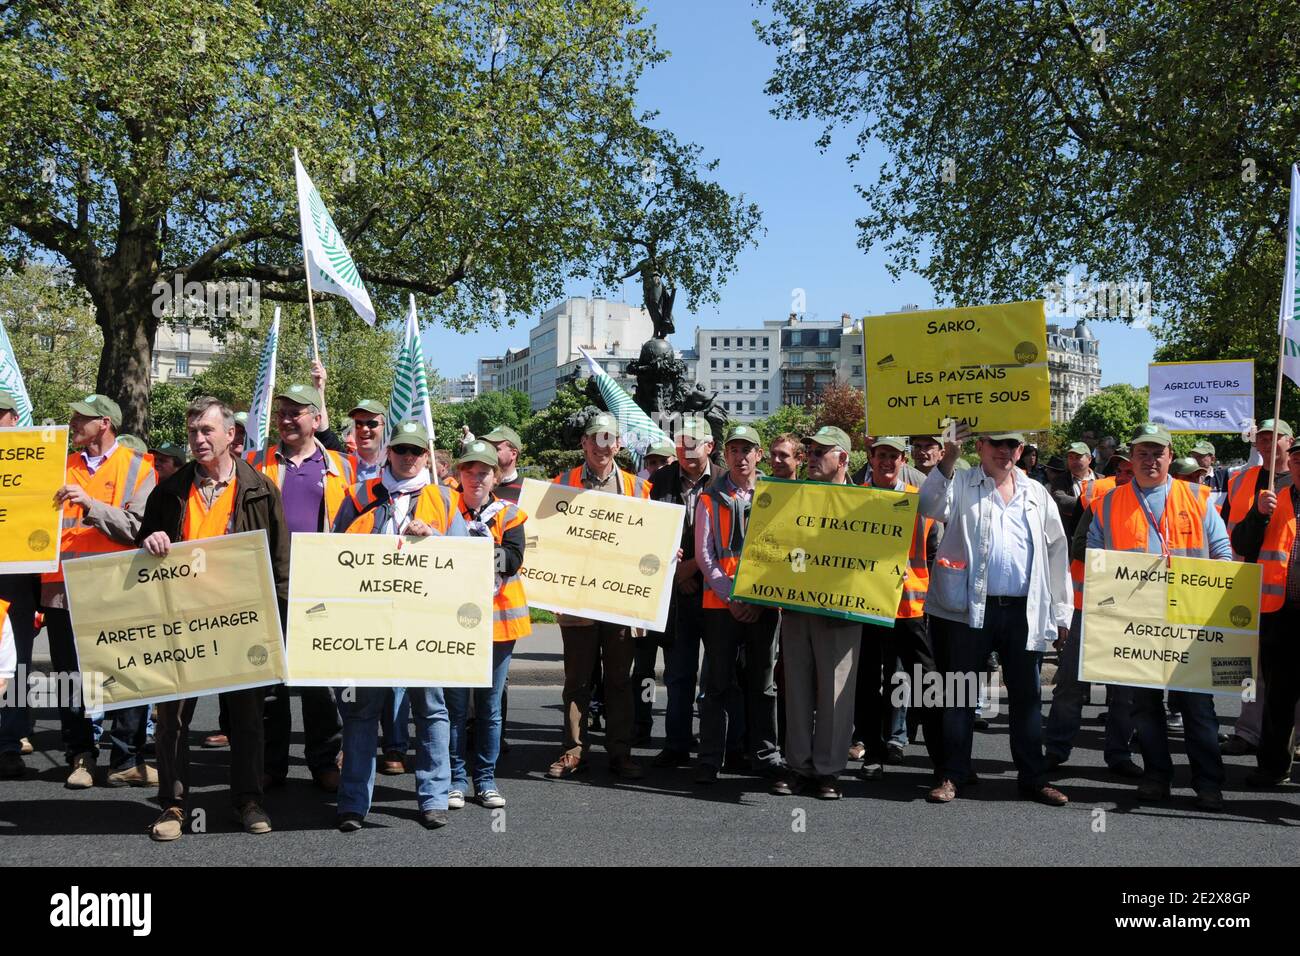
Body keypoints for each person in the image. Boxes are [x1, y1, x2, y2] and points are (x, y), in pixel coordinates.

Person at [136, 396, 286, 840]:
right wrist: (152, 537)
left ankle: (247, 800)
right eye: (193, 433)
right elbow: (142, 547)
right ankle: (174, 805)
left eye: (207, 431)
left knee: (247, 718)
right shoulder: (169, 490)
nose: (198, 440)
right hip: (180, 622)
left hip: (242, 622)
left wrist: (276, 624)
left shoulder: (260, 489)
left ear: (230, 435)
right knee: (172, 721)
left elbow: (280, 563)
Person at [919, 431, 1071, 807]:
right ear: (981, 447)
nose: (1005, 452)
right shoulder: (962, 480)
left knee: (1027, 697)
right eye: (997, 444)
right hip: (969, 607)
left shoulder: (1036, 493)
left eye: (1013, 446)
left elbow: (1057, 552)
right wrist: (948, 459)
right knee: (959, 693)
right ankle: (952, 774)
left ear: (1021, 451)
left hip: (1023, 610)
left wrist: (1062, 611)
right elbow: (929, 504)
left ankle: (1032, 779)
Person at [330, 420, 466, 831]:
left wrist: (436, 537)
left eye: (415, 452)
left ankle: (434, 798)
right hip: (369, 620)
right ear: (388, 453)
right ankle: (353, 802)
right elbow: (335, 550)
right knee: (361, 712)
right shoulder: (360, 494)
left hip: (424, 623)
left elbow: (466, 560)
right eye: (401, 450)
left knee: (431, 708)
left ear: (426, 456)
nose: (408, 458)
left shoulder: (444, 499)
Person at [1089, 423, 1232, 810]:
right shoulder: (1108, 502)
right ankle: (1157, 776)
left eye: (1157, 453)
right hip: (1134, 624)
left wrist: (1208, 586)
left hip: (1189, 620)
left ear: (1170, 456)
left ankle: (1208, 783)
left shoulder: (1198, 498)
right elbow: (1094, 557)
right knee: (1145, 708)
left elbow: (1222, 551)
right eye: (1142, 453)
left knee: (1197, 708)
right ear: (1131, 458)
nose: (1150, 460)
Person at [40, 394, 158, 788]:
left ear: (105, 423)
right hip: (62, 587)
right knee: (70, 677)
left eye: (82, 418)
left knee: (129, 673)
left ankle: (125, 758)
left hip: (116, 586)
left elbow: (138, 528)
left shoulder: (140, 469)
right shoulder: (56, 464)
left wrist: (90, 505)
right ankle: (81, 758)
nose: (73, 423)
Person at [246, 383, 353, 791]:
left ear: (315, 418)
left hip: (321, 586)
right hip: (267, 582)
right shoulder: (257, 463)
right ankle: (271, 766)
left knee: (319, 684)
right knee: (270, 684)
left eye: (296, 413)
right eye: (282, 413)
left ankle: (325, 761)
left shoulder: (342, 466)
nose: (287, 420)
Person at [546, 412, 650, 781]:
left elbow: (648, 544)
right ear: (584, 443)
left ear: (618, 444)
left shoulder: (639, 488)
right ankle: (573, 750)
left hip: (620, 599)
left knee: (620, 681)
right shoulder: (561, 484)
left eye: (610, 438)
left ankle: (620, 752)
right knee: (577, 681)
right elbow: (547, 543)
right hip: (576, 598)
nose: (603, 445)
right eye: (596, 438)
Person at [776, 429, 872, 798]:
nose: (812, 456)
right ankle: (798, 765)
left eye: (821, 451)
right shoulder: (791, 496)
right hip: (798, 606)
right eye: (810, 450)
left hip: (843, 610)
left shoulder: (867, 503)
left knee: (836, 693)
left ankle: (829, 770)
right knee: (797, 688)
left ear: (843, 459)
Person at [694, 423, 783, 786]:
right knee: (715, 685)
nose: (740, 456)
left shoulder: (778, 496)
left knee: (763, 685)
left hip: (763, 607)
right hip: (720, 606)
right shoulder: (708, 498)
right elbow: (704, 554)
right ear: (725, 454)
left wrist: (757, 600)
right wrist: (732, 595)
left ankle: (765, 756)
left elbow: (782, 554)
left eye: (747, 449)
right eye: (734, 450)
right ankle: (710, 758)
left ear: (758, 455)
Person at [851, 436, 943, 785]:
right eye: (881, 456)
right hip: (867, 605)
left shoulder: (919, 499)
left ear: (903, 460)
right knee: (867, 683)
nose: (887, 462)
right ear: (871, 459)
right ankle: (873, 755)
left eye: (893, 456)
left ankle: (941, 759)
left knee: (927, 681)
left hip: (910, 606)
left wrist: (926, 587)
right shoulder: (854, 498)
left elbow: (933, 550)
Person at [445, 439, 529, 809]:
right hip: (454, 624)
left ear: (496, 477)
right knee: (456, 707)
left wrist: (476, 545)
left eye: (484, 473)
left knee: (490, 707)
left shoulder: (510, 515)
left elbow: (512, 559)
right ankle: (455, 779)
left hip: (498, 625)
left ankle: (486, 779)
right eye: (469, 472)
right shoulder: (445, 511)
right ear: (459, 475)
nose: (476, 479)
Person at [649, 416, 731, 767]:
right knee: (678, 674)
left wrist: (694, 564)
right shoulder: (660, 480)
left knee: (717, 677)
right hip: (676, 596)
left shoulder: (726, 481)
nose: (685, 452)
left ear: (710, 447)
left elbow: (733, 536)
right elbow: (648, 528)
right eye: (680, 445)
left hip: (717, 594)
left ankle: (717, 747)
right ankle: (676, 744)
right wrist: (672, 563)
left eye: (693, 445)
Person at [1219, 419, 1294, 757]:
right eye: (1261, 438)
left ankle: (1288, 739)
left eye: (1273, 437)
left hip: (1286, 594)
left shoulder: (1296, 481)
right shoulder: (1241, 480)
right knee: (1248, 669)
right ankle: (1247, 731)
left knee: (1288, 674)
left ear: (1289, 441)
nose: (1265, 443)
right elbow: (1227, 531)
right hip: (1245, 586)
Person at [1234, 442, 1300, 787]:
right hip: (1281, 616)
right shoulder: (1273, 501)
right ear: (1290, 463)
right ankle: (1273, 767)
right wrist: (1258, 514)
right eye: (1298, 460)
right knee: (1279, 698)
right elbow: (1241, 544)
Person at [0, 391, 40, 778]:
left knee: (18, 666)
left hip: (16, 582)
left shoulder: (34, 461)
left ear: (14, 417)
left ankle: (9, 744)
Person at [481, 425, 524, 503]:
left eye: (495, 449)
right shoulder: (473, 485)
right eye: (488, 448)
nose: (489, 453)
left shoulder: (527, 491)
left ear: (513, 454)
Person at [347, 400, 386, 481]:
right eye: (358, 424)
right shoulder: (342, 467)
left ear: (385, 427)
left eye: (371, 424)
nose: (364, 429)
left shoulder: (397, 468)